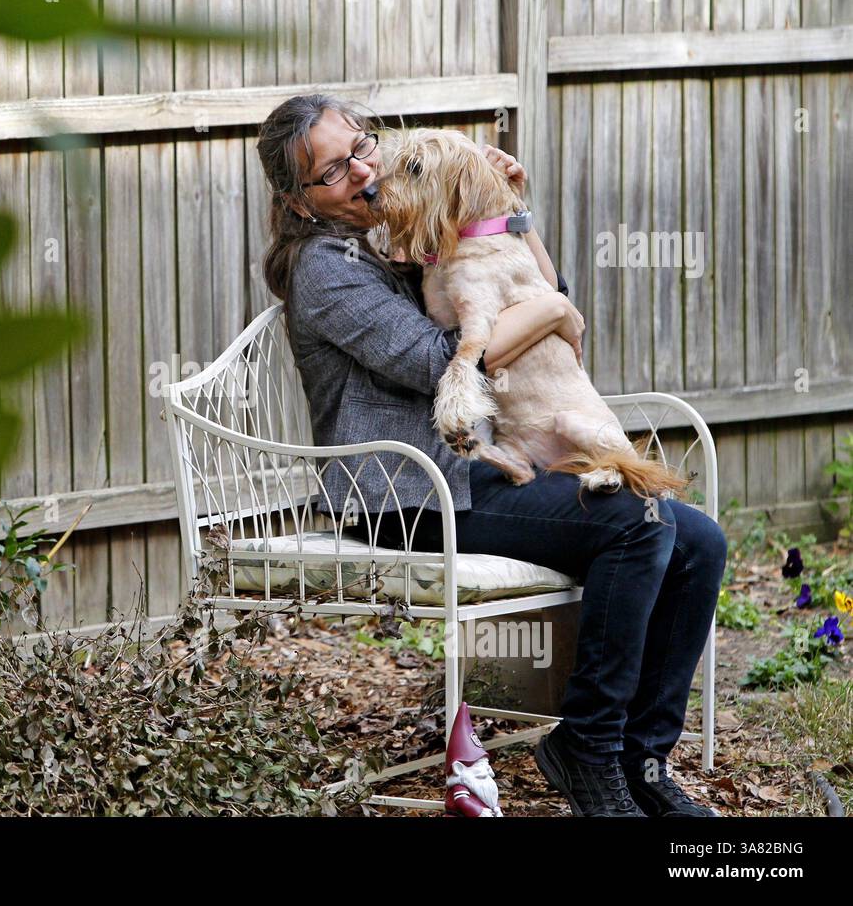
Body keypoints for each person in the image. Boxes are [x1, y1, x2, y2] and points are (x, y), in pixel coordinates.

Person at [254, 94, 727, 817]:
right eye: (333, 170)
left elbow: (538, 293)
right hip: (407, 495)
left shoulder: (406, 231)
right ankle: (589, 747)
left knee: (699, 537)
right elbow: (445, 359)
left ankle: (645, 760)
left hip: (476, 470)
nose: (362, 171)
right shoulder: (327, 268)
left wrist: (511, 208)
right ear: (299, 201)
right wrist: (558, 314)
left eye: (362, 148)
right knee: (637, 524)